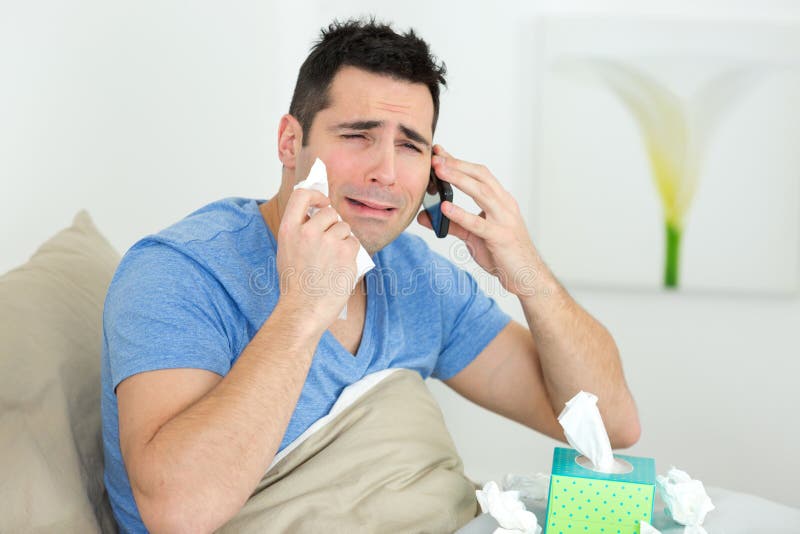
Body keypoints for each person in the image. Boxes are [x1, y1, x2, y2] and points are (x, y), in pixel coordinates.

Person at [101, 18, 640, 533]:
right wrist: (303, 311)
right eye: (359, 135)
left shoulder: (417, 275)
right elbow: (177, 512)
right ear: (291, 143)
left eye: (410, 145)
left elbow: (611, 427)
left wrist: (528, 274)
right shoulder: (176, 272)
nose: (385, 170)